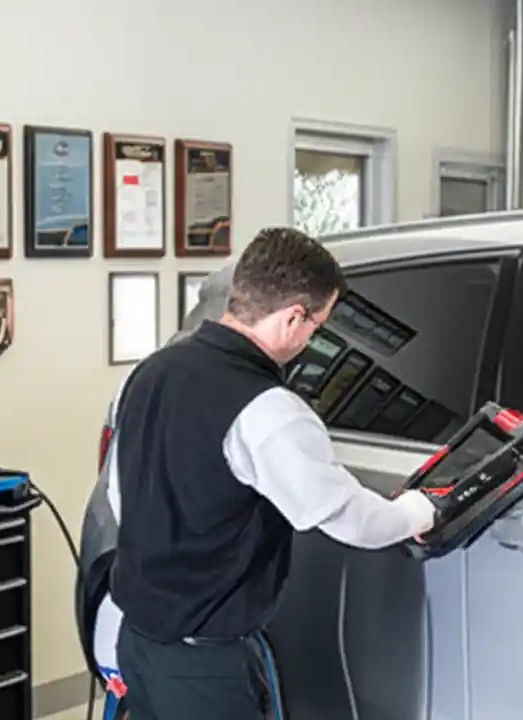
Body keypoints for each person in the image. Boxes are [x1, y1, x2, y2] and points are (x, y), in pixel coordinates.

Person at [106, 227, 442, 719]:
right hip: (205, 663)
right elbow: (350, 519)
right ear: (293, 317)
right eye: (318, 326)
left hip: (137, 641)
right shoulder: (268, 409)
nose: (312, 340)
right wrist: (419, 510)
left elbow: (121, 496)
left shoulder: (149, 372)